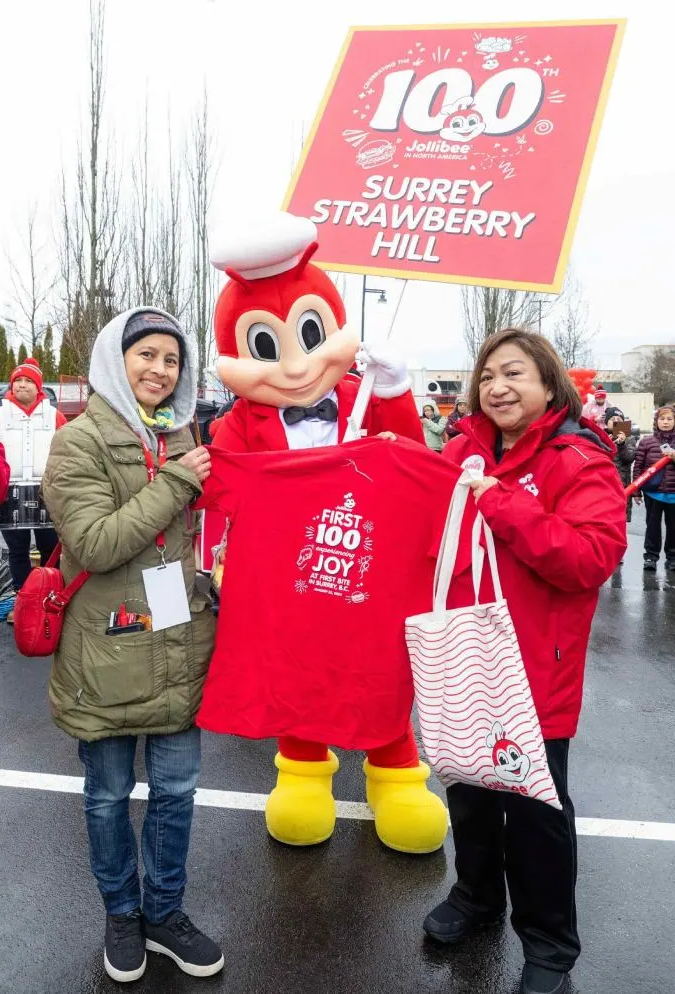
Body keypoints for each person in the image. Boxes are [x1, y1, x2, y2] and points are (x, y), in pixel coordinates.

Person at [199, 212, 446, 857]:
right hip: (290, 585)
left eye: (310, 335)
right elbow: (217, 482)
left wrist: (393, 393)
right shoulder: (245, 422)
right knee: (298, 676)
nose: (294, 366)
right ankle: (304, 774)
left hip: (369, 576)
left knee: (378, 671)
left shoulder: (368, 398)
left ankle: (395, 777)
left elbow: (413, 462)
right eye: (264, 348)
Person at [422, 328, 626, 994]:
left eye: (513, 374)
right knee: (469, 790)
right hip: (463, 653)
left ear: (548, 385)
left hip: (537, 667)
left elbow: (591, 558)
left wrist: (501, 502)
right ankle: (476, 898)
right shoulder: (458, 452)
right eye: (487, 376)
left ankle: (549, 943)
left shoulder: (579, 459)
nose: (497, 387)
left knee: (538, 812)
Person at [41, 307, 222, 984]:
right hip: (106, 652)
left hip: (177, 640)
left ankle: (165, 912)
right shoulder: (79, 440)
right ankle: (122, 912)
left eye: (172, 360)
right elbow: (95, 543)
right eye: (146, 354)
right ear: (115, 362)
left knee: (177, 791)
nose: (160, 370)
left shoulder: (182, 433)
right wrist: (179, 481)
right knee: (109, 795)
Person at [0, 357, 67, 622]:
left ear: (38, 387)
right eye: (18, 381)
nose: (22, 385)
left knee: (52, 549)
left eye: (28, 381)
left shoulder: (54, 416)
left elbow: (70, 451)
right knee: (17, 552)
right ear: (11, 386)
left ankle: (51, 600)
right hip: (9, 493)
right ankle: (23, 604)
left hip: (47, 490)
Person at [632, 404, 675, 571]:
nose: (665, 422)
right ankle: (650, 556)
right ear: (656, 421)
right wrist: (636, 491)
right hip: (653, 493)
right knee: (652, 526)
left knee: (673, 528)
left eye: (669, 419)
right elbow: (638, 466)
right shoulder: (646, 441)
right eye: (662, 419)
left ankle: (672, 558)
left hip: (673, 493)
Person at [606, 413, 636, 521]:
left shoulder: (630, 438)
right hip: (604, 483)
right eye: (612, 419)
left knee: (620, 520)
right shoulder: (599, 436)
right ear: (606, 422)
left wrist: (622, 444)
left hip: (622, 483)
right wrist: (606, 443)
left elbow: (629, 458)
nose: (615, 421)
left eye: (619, 419)